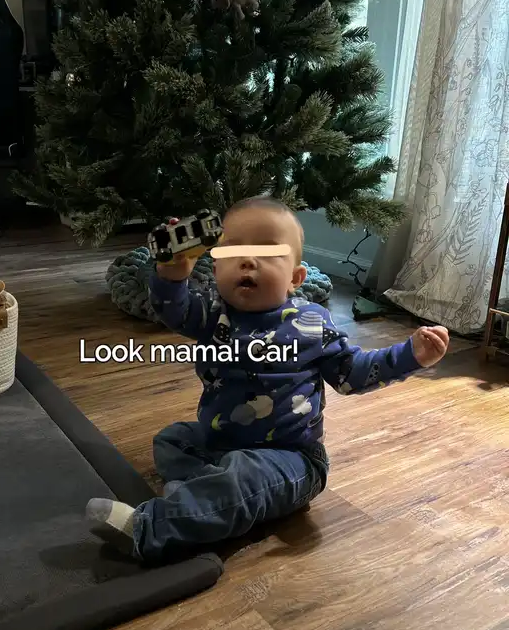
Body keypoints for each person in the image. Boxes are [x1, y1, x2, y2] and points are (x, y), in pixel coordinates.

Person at [87, 196, 450, 562]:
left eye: (267, 252)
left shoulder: (311, 323)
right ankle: (211, 497)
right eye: (233, 251)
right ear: (216, 268)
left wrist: (410, 355)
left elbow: (352, 373)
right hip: (221, 441)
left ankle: (150, 529)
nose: (248, 260)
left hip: (291, 458)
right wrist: (172, 275)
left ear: (295, 278)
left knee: (244, 475)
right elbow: (171, 309)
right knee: (172, 440)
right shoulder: (212, 314)